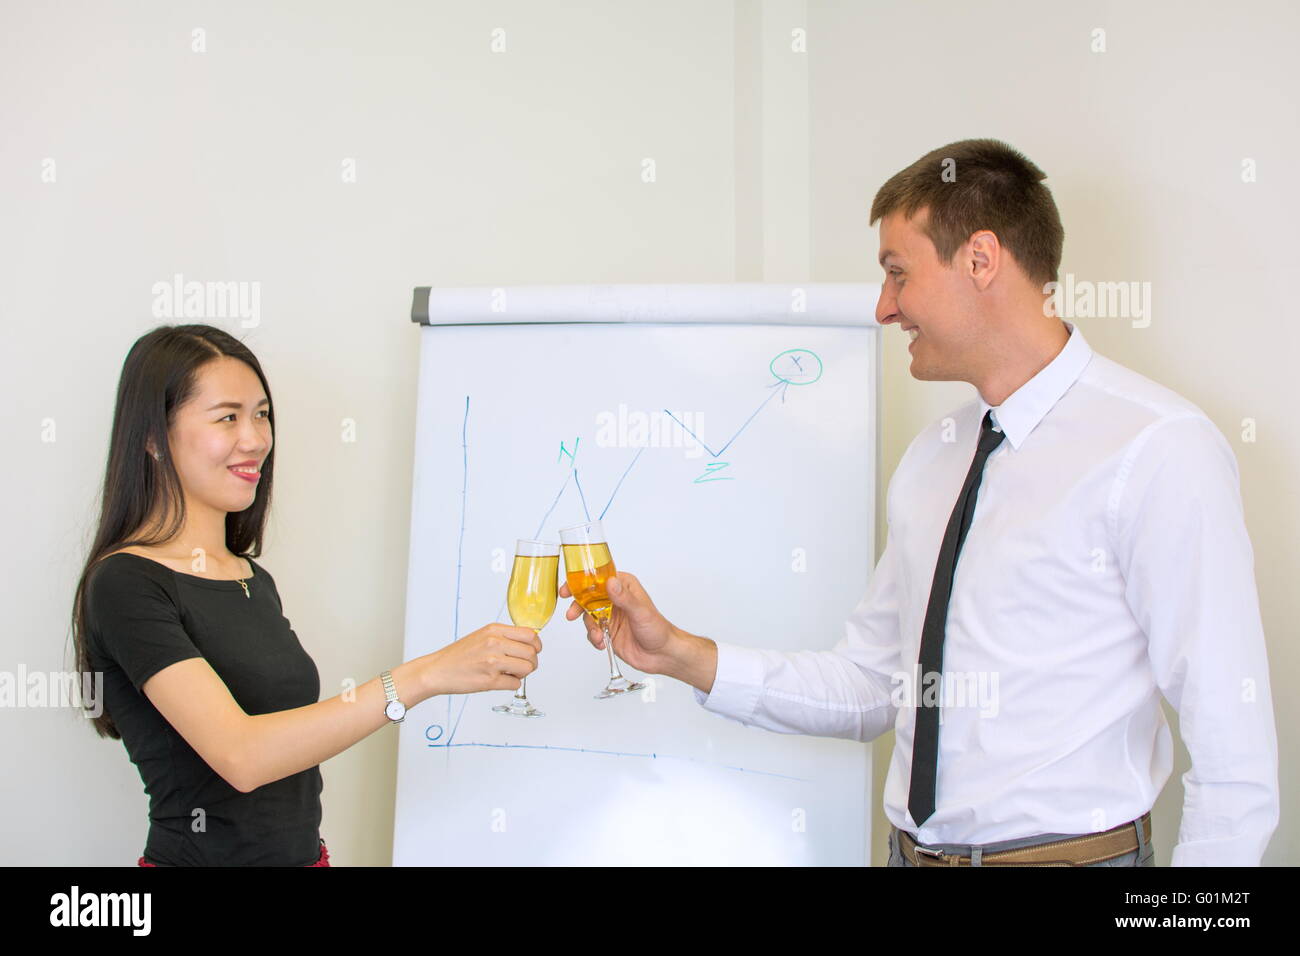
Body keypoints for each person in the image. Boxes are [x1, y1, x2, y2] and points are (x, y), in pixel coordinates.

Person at [559, 139, 1279, 867]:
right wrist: (682, 655)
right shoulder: (933, 456)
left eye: (898, 276)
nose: (883, 308)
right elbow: (871, 687)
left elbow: (1234, 755)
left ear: (981, 260)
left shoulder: (1156, 448)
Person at [71, 324, 541, 866]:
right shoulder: (126, 583)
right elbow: (242, 756)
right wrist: (422, 676)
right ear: (153, 437)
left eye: (262, 414)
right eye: (228, 417)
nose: (255, 439)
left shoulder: (252, 579)